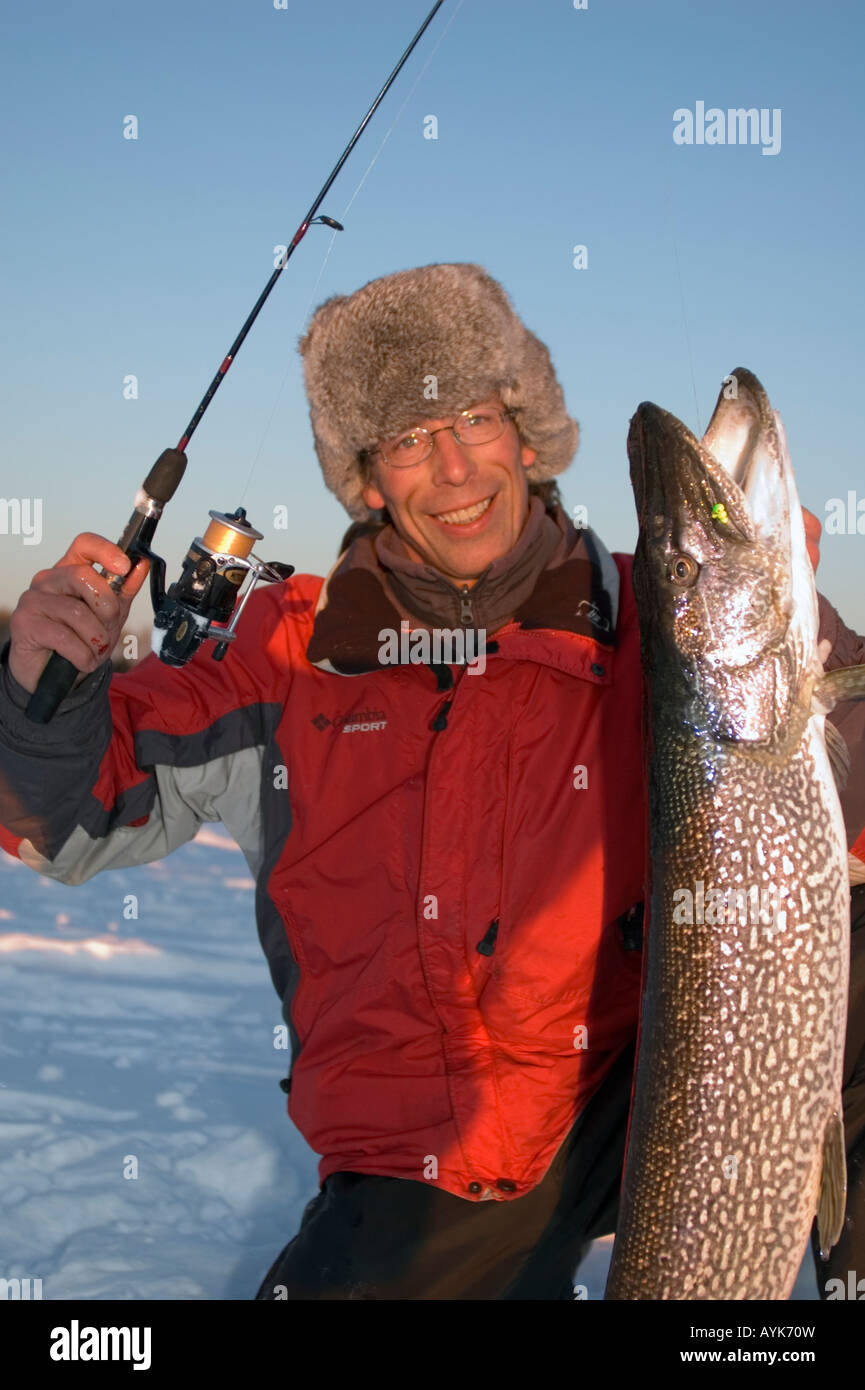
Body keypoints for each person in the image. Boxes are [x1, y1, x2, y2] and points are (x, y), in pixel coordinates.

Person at [0, 262, 863, 1301]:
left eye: (475, 419)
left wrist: (813, 655)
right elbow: (65, 820)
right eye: (408, 438)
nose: (453, 469)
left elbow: (829, 811)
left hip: (644, 1093)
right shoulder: (286, 655)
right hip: (424, 1165)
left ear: (528, 435)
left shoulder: (656, 626)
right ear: (368, 478)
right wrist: (36, 694)